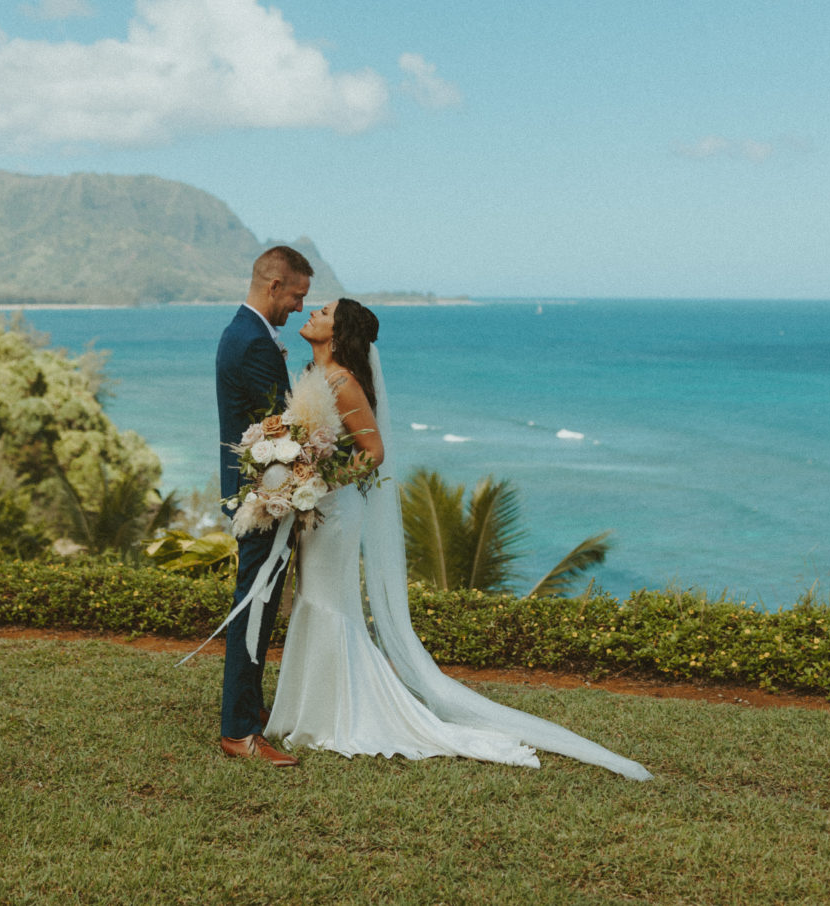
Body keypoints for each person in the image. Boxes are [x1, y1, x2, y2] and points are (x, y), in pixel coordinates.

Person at [265, 298, 652, 781]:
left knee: (328, 605)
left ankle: (332, 716)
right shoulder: (312, 374)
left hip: (336, 511)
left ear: (338, 332)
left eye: (322, 312)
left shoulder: (343, 382)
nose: (313, 314)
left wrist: (319, 483)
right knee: (313, 600)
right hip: (317, 509)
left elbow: (374, 453)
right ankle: (309, 709)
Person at [214, 245, 314, 766]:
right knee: (253, 608)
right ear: (274, 286)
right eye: (297, 295)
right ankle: (239, 731)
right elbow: (284, 428)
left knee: (257, 604)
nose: (300, 307)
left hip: (258, 492)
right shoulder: (252, 341)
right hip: (262, 498)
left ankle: (246, 719)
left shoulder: (244, 331)